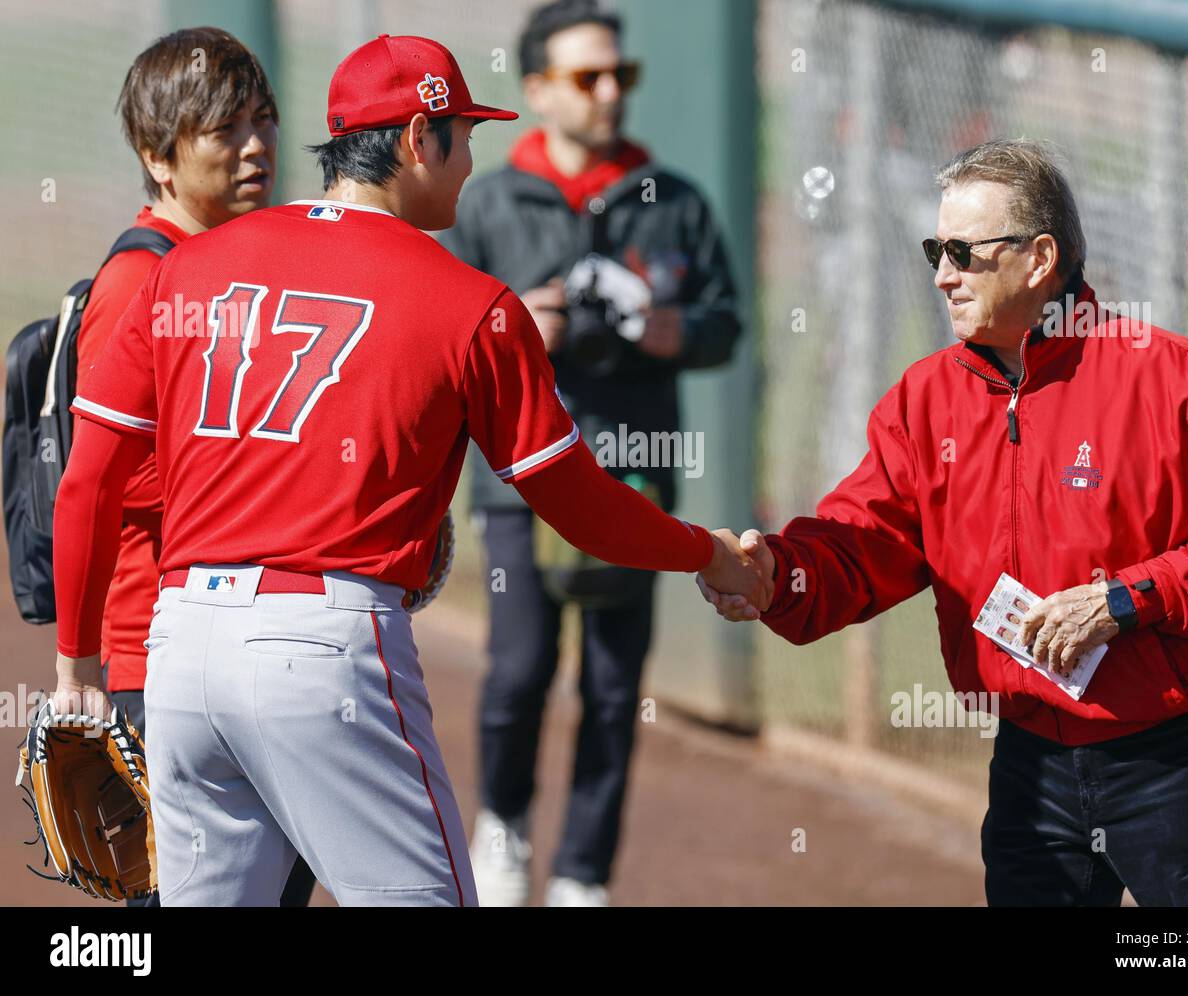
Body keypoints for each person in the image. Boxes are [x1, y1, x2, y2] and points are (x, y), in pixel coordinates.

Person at [50, 33, 767, 907]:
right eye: (462, 135)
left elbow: (86, 480)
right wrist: (706, 552)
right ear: (419, 140)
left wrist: (74, 671)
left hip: (181, 649)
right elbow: (580, 508)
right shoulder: (472, 303)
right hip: (325, 650)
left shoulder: (187, 269)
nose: (471, 162)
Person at [700, 139, 1188, 907]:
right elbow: (865, 542)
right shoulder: (924, 402)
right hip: (1031, 764)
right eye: (934, 250)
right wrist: (777, 573)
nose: (943, 274)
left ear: (1040, 258)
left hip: (1179, 765)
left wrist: (1129, 598)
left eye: (963, 251)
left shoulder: (1171, 376)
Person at [440, 0, 741, 907]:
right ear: (537, 91)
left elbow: (725, 326)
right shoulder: (488, 200)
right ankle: (503, 827)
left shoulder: (675, 199)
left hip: (633, 471)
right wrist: (512, 329)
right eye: (586, 76)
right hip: (515, 480)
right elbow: (440, 335)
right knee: (519, 671)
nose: (610, 92)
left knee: (615, 688)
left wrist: (658, 328)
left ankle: (582, 874)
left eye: (622, 75)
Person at [77, 25, 315, 908]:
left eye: (265, 119)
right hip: (160, 649)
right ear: (158, 156)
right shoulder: (142, 280)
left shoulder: (220, 265)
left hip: (230, 639)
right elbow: (112, 474)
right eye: (225, 130)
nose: (257, 147)